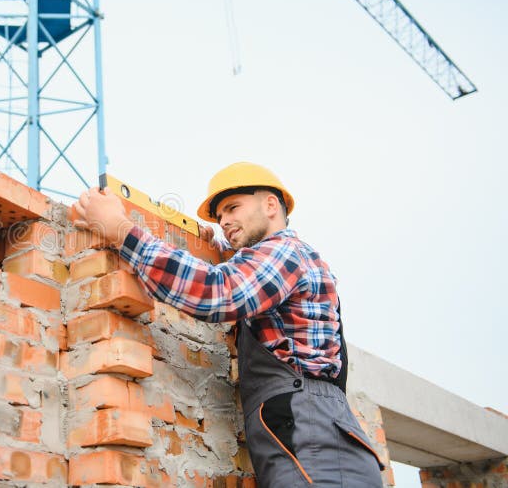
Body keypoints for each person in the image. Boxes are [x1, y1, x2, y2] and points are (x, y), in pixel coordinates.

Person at [74, 162, 385, 487]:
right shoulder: (277, 259)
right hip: (313, 439)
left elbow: (219, 291)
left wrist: (122, 231)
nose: (223, 221)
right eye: (219, 216)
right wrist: (212, 247)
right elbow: (246, 274)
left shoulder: (286, 251)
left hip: (317, 444)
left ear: (270, 205)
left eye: (233, 208)